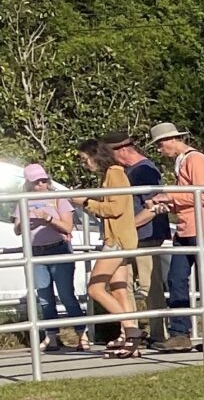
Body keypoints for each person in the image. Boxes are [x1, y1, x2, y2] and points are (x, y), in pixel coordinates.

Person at [147, 122, 204, 351]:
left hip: (201, 229)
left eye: (160, 145)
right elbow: (191, 196)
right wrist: (170, 203)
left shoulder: (196, 160)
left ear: (171, 140)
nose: (160, 150)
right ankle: (180, 332)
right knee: (176, 279)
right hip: (186, 228)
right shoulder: (183, 162)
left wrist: (168, 197)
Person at [75, 140, 142, 355]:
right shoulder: (109, 175)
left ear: (95, 155)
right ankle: (130, 337)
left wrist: (86, 202)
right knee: (119, 289)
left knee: (95, 288)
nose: (84, 164)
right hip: (116, 239)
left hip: (117, 241)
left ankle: (131, 332)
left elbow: (116, 207)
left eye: (85, 160)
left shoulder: (115, 173)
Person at [110, 134, 173, 346]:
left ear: (123, 150)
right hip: (132, 238)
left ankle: (158, 333)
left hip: (146, 237)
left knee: (150, 286)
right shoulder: (129, 171)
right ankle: (131, 332)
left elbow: (153, 208)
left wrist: (128, 227)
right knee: (123, 284)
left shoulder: (144, 171)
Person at [23, 164, 88, 354]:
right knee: (44, 298)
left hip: (58, 249)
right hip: (36, 252)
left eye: (43, 180)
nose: (41, 184)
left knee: (67, 295)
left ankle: (82, 335)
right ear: (28, 183)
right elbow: (18, 228)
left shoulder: (58, 198)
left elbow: (67, 227)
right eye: (36, 182)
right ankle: (51, 336)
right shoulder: (23, 201)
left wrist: (48, 219)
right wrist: (25, 221)